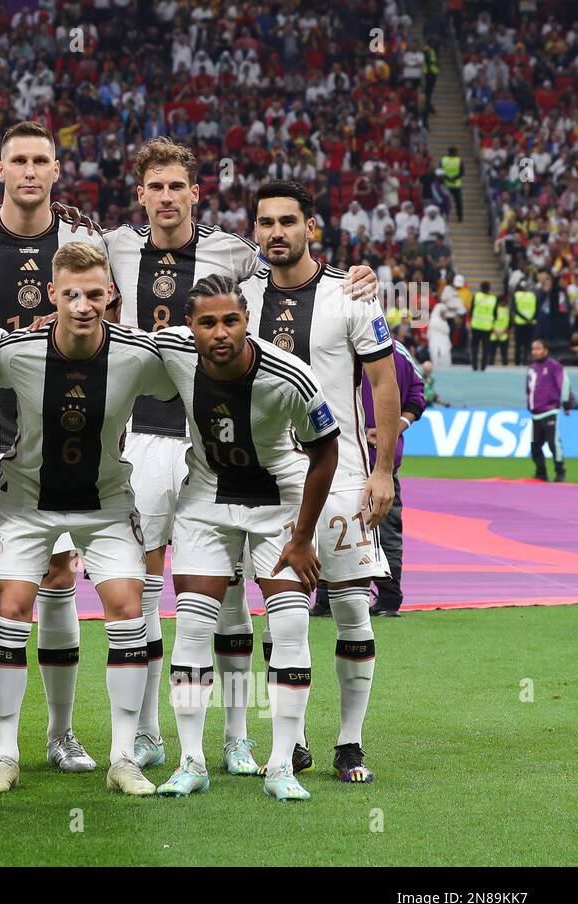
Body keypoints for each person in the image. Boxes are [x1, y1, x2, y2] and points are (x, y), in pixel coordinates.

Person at [104, 138, 376, 775]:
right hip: (143, 438)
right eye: (155, 187)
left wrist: (357, 278)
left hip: (220, 452)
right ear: (139, 193)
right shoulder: (115, 246)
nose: (167, 198)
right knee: (148, 592)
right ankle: (147, 734)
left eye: (178, 186)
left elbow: (294, 261)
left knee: (224, 599)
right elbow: (70, 268)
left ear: (196, 193)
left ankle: (236, 738)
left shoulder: (233, 251)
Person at [0, 121, 109, 775]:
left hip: (57, 430)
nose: (31, 170)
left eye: (42, 160)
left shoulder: (86, 242)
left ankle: (60, 734)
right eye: (19, 161)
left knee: (58, 576)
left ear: (58, 171)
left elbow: (108, 320)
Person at [0, 241, 178, 797]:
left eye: (94, 293)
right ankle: (6, 752)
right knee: (11, 609)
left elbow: (193, 371)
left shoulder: (140, 355)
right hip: (25, 502)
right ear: (51, 296)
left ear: (111, 295)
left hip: (108, 504)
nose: (84, 305)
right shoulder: (15, 352)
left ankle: (122, 757)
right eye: (71, 295)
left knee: (127, 609)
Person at [152, 274, 339, 801]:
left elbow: (326, 450)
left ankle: (280, 764)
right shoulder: (172, 351)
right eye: (206, 321)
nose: (219, 332)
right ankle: (192, 761)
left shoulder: (290, 377)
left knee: (292, 625)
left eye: (230, 320)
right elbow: (111, 340)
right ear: (188, 326)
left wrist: (302, 538)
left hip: (279, 499)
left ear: (247, 321)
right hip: (207, 499)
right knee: (190, 626)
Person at [244, 179, 400, 784]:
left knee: (352, 611)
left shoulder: (351, 295)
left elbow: (383, 385)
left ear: (312, 227)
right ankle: (294, 739)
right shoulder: (240, 296)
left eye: (288, 221)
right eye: (265, 223)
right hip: (265, 478)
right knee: (282, 615)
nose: (276, 232)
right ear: (253, 231)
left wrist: (383, 469)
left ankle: (351, 742)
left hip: (341, 477)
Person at [368, 341, 427, 616]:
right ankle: (387, 599)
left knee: (385, 531)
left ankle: (389, 599)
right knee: (334, 527)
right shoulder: (337, 342)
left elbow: (418, 396)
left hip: (378, 462)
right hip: (347, 457)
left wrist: (391, 427)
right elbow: (418, 394)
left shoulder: (396, 350)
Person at [527, 339, 572, 482]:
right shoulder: (532, 367)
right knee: (535, 447)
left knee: (554, 444)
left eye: (538, 348)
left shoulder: (554, 366)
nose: (535, 352)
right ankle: (541, 473)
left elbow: (564, 383)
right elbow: (529, 389)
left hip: (550, 411)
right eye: (533, 349)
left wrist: (567, 403)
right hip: (536, 413)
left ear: (545, 350)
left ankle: (560, 472)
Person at [469, 281, 496, 371]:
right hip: (487, 327)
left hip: (476, 325)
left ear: (480, 287)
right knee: (485, 348)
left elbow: (471, 310)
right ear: (489, 289)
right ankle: (483, 366)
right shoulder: (493, 299)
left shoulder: (476, 296)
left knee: (474, 347)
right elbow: (495, 314)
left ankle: (474, 366)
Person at [512, 280, 537, 366]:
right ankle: (526, 362)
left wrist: (524, 318)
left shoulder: (516, 295)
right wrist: (530, 319)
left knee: (518, 345)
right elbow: (537, 309)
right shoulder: (533, 295)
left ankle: (517, 362)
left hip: (520, 323)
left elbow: (515, 309)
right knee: (528, 345)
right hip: (531, 324)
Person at [439, 146, 463, 222]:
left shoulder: (443, 160)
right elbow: (462, 172)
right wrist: (454, 178)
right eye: (456, 152)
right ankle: (460, 218)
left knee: (446, 202)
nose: (457, 153)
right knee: (458, 203)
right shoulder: (459, 160)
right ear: (453, 152)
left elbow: (440, 171)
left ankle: (446, 217)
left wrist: (447, 178)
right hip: (456, 184)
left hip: (446, 184)